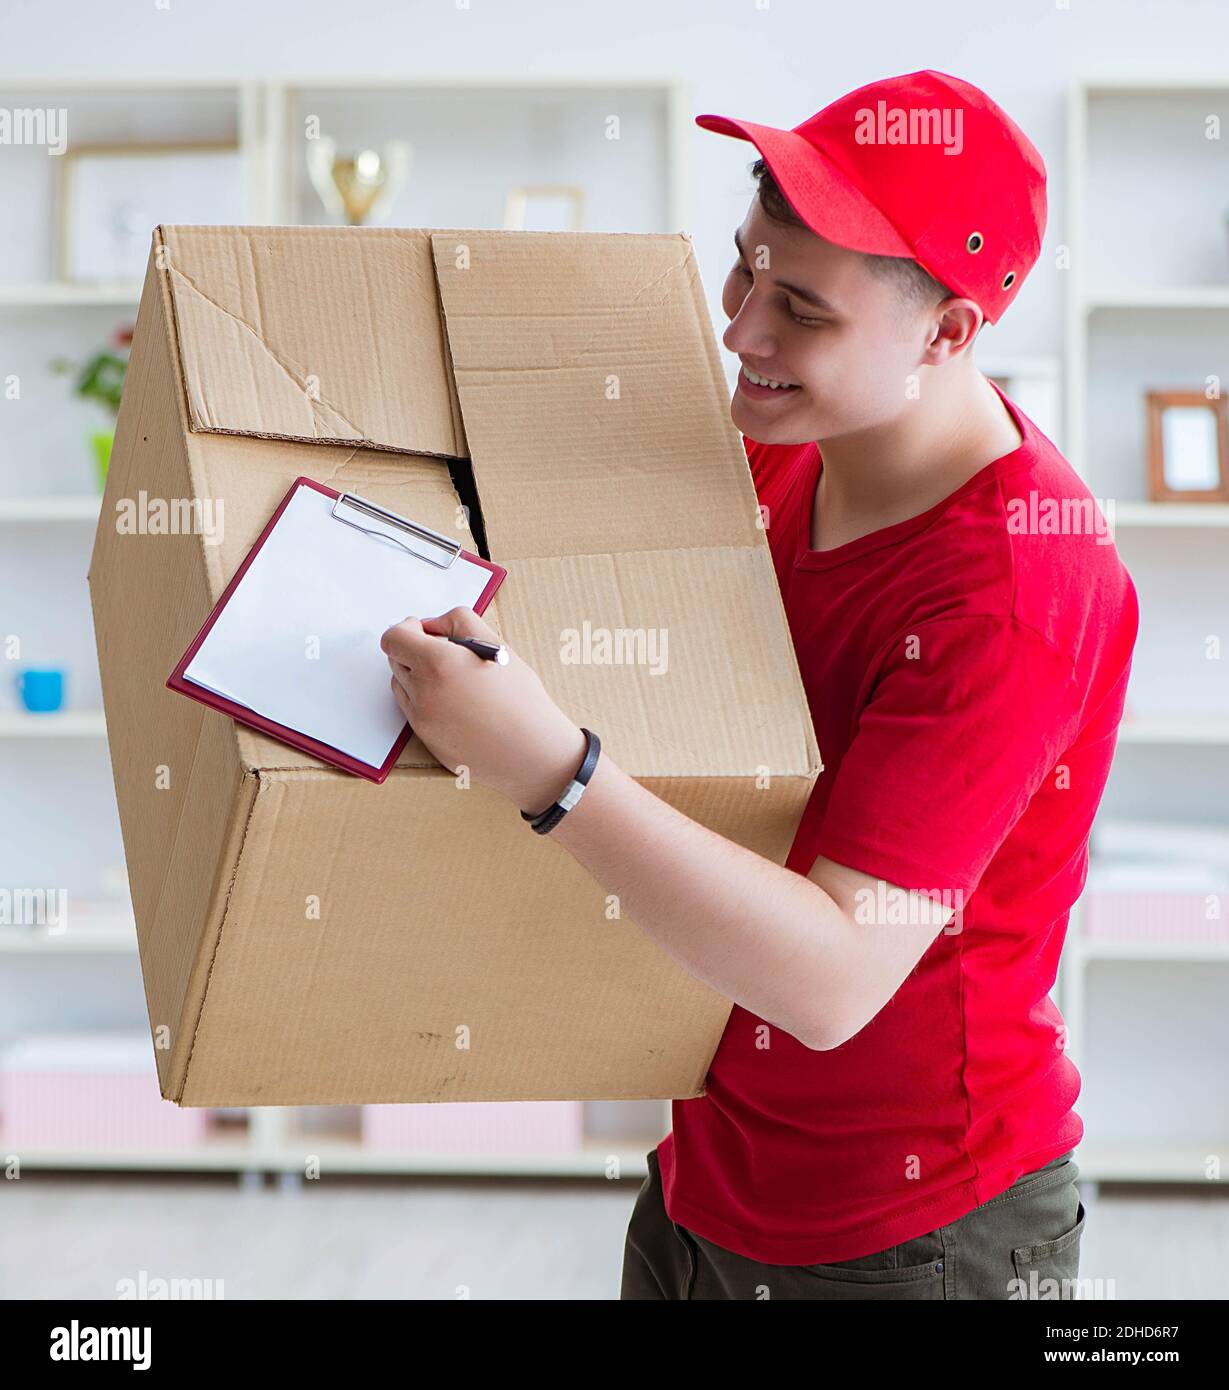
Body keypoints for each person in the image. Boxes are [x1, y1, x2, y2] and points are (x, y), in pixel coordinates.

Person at [380, 69, 1139, 1300]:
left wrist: (553, 773)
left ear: (947, 333)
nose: (739, 330)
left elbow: (834, 980)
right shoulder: (776, 450)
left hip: (912, 1233)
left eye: (800, 307)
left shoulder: (1014, 590)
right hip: (707, 1162)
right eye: (742, 269)